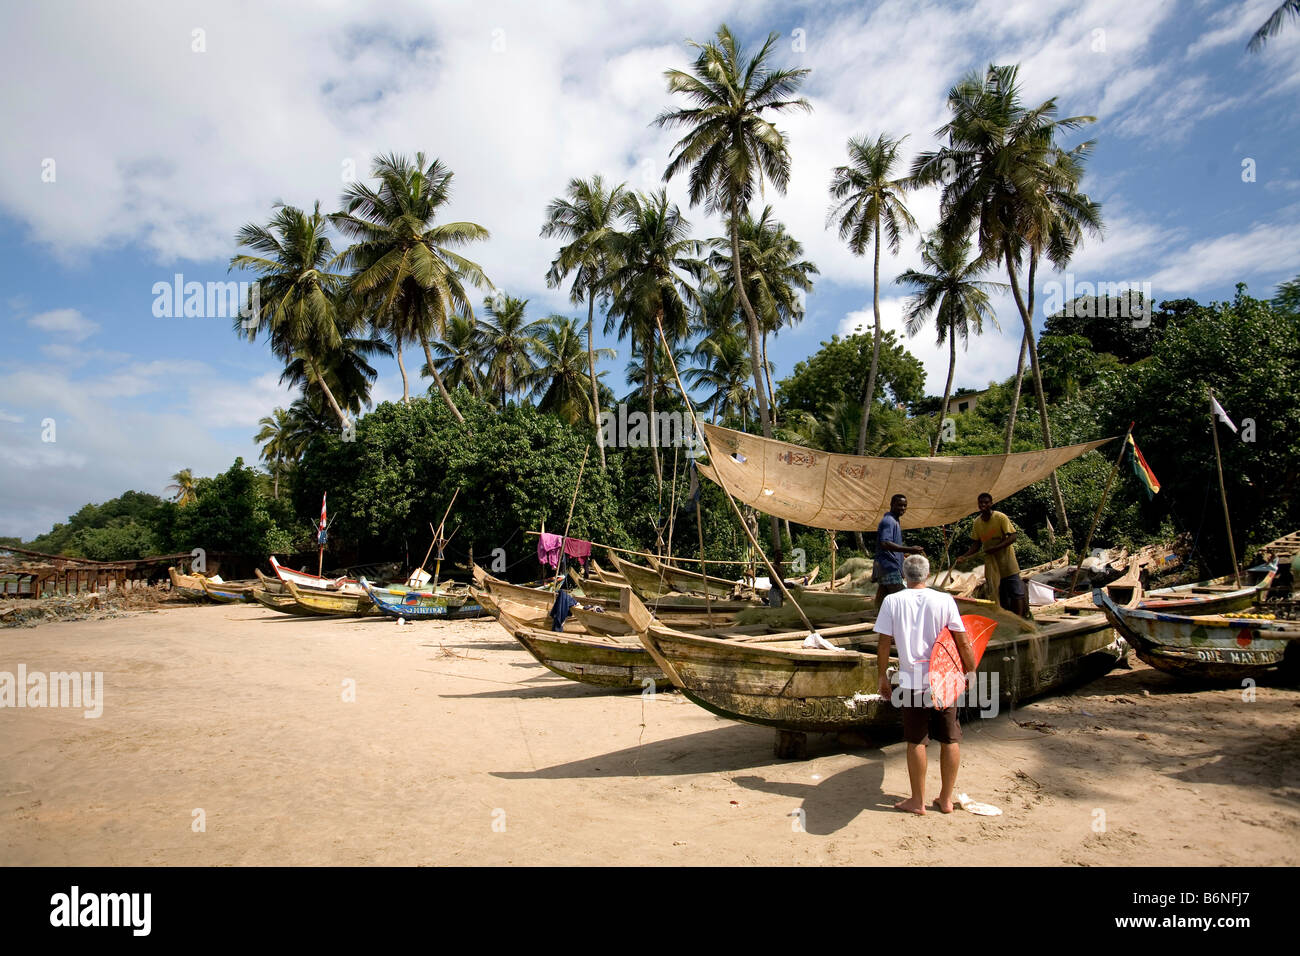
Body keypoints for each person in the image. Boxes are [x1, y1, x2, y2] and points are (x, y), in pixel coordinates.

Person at [876, 554, 975, 815]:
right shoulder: (944, 600)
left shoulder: (892, 601)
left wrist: (882, 677)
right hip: (944, 678)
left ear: (904, 576)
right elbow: (962, 640)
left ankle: (917, 801)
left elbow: (884, 644)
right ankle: (945, 799)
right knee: (949, 738)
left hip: (912, 681)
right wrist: (971, 670)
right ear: (928, 575)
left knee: (916, 740)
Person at [958, 492, 1027, 617]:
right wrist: (965, 556)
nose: (983, 505)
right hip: (993, 567)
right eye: (981, 503)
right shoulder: (977, 523)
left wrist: (996, 548)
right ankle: (1009, 620)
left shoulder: (1000, 517)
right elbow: (976, 544)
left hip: (1008, 564)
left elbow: (1013, 536)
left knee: (1016, 593)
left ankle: (1020, 620)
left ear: (991, 503)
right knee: (1000, 595)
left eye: (986, 502)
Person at [874, 494, 925, 608]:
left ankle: (879, 617)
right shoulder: (889, 521)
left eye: (904, 506)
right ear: (892, 505)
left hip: (886, 566)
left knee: (883, 598)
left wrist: (904, 554)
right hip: (889, 566)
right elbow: (885, 543)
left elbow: (890, 545)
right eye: (899, 505)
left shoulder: (895, 521)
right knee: (901, 597)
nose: (902, 508)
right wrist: (910, 549)